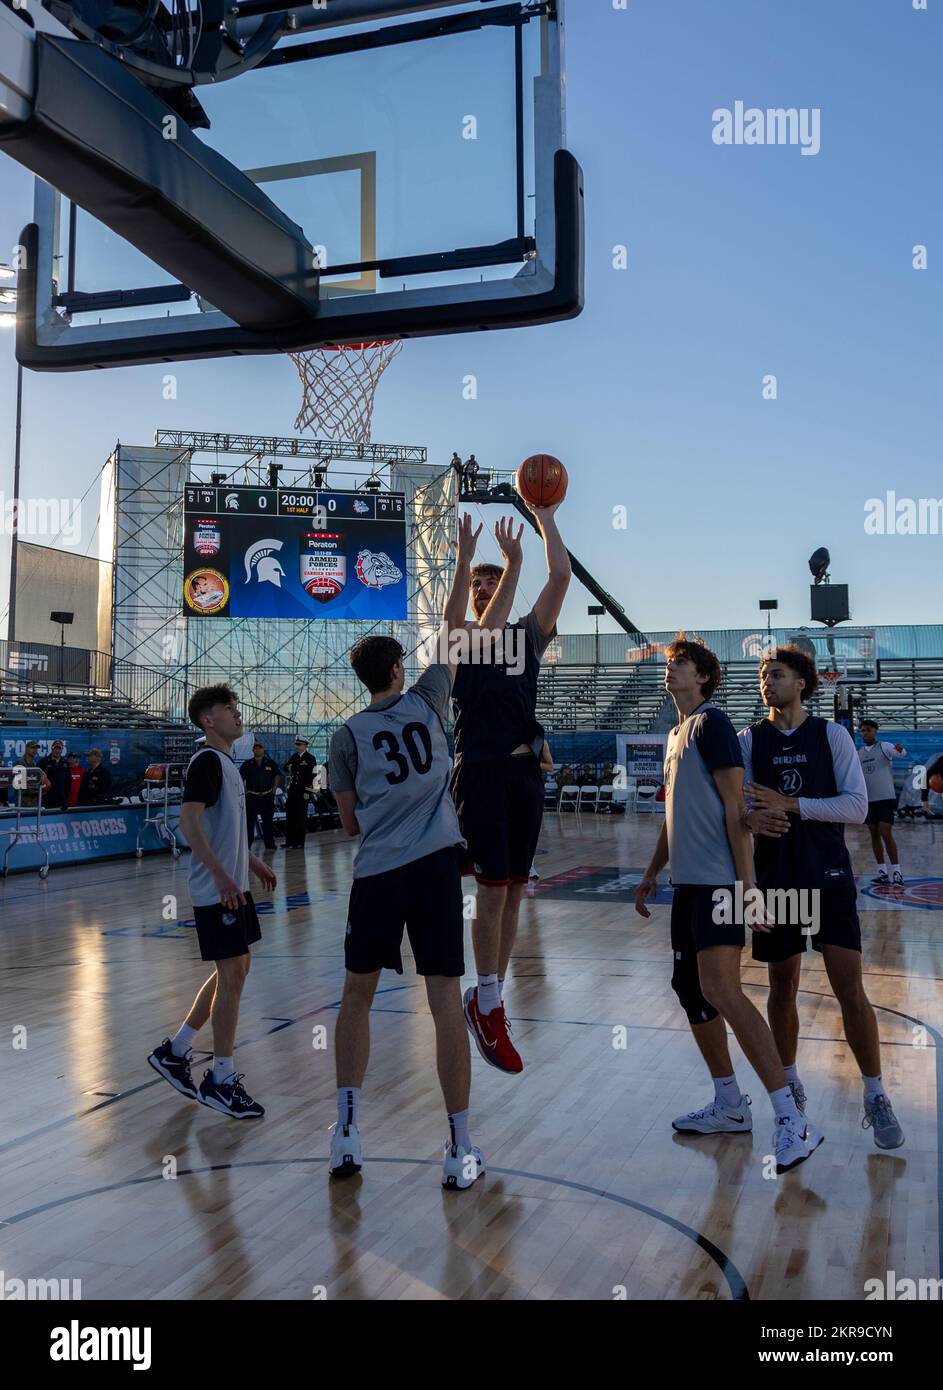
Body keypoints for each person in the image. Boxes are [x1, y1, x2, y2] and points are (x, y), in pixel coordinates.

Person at [635, 634, 824, 1175]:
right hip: (687, 886)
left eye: (681, 664)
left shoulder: (712, 725)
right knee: (688, 988)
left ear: (704, 677)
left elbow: (736, 806)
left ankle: (790, 1117)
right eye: (669, 664)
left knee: (721, 989)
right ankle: (728, 1103)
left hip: (720, 882)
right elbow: (674, 815)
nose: (671, 671)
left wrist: (748, 886)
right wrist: (651, 872)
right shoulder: (674, 735)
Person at [327, 527, 481, 1189]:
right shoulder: (426, 698)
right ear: (397, 670)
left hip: (379, 872)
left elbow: (347, 821)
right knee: (445, 1000)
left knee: (356, 997)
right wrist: (466, 560)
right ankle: (457, 1147)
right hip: (436, 868)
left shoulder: (347, 734)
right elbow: (453, 629)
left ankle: (347, 1133)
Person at [741, 647, 903, 1150]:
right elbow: (737, 801)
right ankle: (789, 1089)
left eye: (778, 674)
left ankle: (875, 1094)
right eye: (764, 675)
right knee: (782, 986)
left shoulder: (832, 735)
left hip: (829, 877)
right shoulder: (750, 740)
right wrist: (748, 818)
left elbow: (857, 807)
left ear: (803, 683)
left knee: (849, 988)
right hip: (776, 878)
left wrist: (793, 804)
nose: (768, 682)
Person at [444, 501, 571, 1075]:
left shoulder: (528, 637)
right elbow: (485, 622)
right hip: (483, 773)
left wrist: (545, 518)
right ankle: (488, 998)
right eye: (479, 583)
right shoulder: (463, 643)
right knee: (492, 890)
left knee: (517, 888)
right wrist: (484, 560)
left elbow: (563, 576)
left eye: (494, 580)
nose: (487, 589)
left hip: (524, 776)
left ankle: (489, 998)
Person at [147, 685, 277, 1118]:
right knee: (232, 974)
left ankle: (177, 1050)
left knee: (237, 971)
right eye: (229, 709)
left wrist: (251, 863)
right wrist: (222, 877)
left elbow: (225, 831)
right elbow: (188, 822)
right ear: (208, 720)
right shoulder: (206, 761)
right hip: (217, 891)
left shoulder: (226, 764)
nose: (237, 715)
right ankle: (220, 1078)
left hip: (233, 886)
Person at [857, 720, 907, 886]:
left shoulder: (884, 746)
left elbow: (900, 753)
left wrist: (900, 749)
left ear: (875, 731)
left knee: (885, 831)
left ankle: (897, 872)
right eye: (862, 730)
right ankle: (882, 872)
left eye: (868, 730)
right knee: (873, 833)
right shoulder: (859, 753)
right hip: (869, 799)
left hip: (885, 797)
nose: (865, 733)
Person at [241, 740, 281, 849]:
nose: (258, 749)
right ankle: (247, 845)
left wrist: (274, 790)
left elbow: (277, 775)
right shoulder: (247, 764)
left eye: (260, 748)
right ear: (253, 750)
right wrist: (244, 790)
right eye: (256, 748)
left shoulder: (270, 763)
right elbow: (240, 778)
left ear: (263, 750)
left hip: (267, 796)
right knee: (249, 822)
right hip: (252, 796)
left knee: (268, 822)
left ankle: (270, 844)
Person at [283, 736, 317, 848]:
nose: (297, 747)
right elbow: (285, 767)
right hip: (293, 790)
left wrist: (308, 791)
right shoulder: (294, 757)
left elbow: (313, 776)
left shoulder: (310, 758)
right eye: (296, 745)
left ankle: (299, 842)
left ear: (305, 746)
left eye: (299, 745)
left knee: (300, 817)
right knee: (290, 816)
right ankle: (289, 842)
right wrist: (293, 766)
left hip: (303, 791)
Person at [529, 740, 554, 879]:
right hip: (509, 788)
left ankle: (529, 867)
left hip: (531, 788)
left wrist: (530, 763)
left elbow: (550, 766)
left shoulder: (540, 742)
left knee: (530, 831)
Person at [14, 741, 50, 809]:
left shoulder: (34, 763)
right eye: (32, 748)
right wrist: (34, 791)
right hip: (22, 803)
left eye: (36, 748)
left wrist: (42, 788)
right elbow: (18, 784)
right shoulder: (20, 763)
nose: (35, 750)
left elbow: (35, 781)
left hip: (34, 802)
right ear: (27, 749)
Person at [39, 740, 70, 811]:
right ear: (52, 748)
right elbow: (37, 780)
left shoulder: (65, 763)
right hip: (46, 800)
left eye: (59, 748)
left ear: (62, 749)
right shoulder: (43, 762)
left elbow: (68, 782)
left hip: (60, 800)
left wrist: (65, 799)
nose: (57, 750)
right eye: (55, 748)